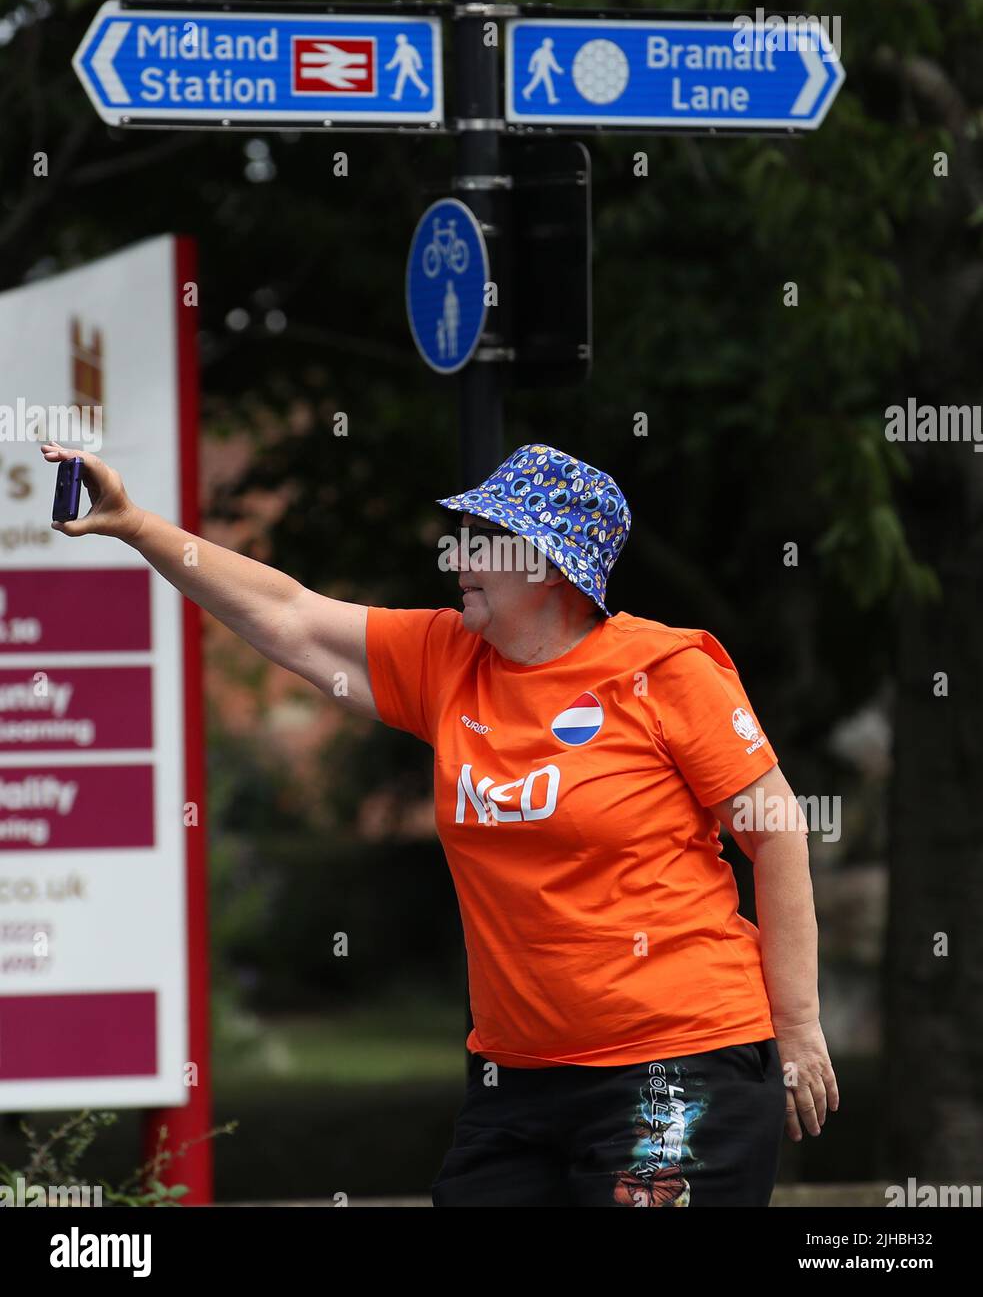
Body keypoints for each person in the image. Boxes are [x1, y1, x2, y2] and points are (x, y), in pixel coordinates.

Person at [40, 437, 837, 1208]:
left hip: (678, 1060)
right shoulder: (448, 660)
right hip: (517, 1076)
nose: (456, 559)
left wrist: (795, 1025)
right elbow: (289, 615)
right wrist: (136, 525)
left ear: (548, 563)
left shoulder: (665, 671)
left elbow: (775, 830)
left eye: (481, 542)